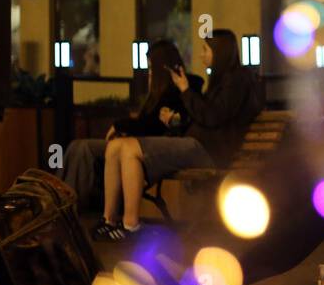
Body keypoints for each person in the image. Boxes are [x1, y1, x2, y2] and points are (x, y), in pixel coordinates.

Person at [95, 29, 263, 240]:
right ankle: (109, 219)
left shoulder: (236, 80)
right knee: (116, 146)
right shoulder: (222, 79)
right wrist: (177, 120)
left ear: (219, 52)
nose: (201, 55)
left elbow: (213, 117)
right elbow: (207, 116)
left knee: (129, 147)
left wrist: (185, 90)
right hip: (198, 144)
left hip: (209, 151)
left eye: (205, 50)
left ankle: (130, 225)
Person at [62, 39, 198, 218]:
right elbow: (146, 123)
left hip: (146, 148)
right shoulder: (158, 92)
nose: (149, 73)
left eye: (151, 68)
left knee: (85, 148)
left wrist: (119, 125)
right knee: (76, 146)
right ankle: (59, 198)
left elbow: (151, 126)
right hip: (133, 143)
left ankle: (69, 206)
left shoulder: (176, 91)